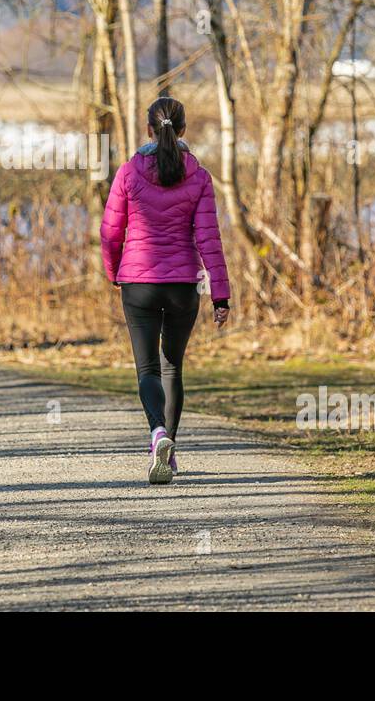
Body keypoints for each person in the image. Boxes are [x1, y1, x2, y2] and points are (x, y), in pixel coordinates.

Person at [99, 96, 230, 485]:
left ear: (148, 130)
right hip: (182, 288)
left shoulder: (127, 172)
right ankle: (169, 449)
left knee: (147, 368)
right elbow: (210, 239)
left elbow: (110, 233)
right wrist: (220, 295)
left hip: (138, 284)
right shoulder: (199, 177)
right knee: (173, 367)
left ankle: (156, 433)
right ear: (184, 129)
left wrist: (114, 272)